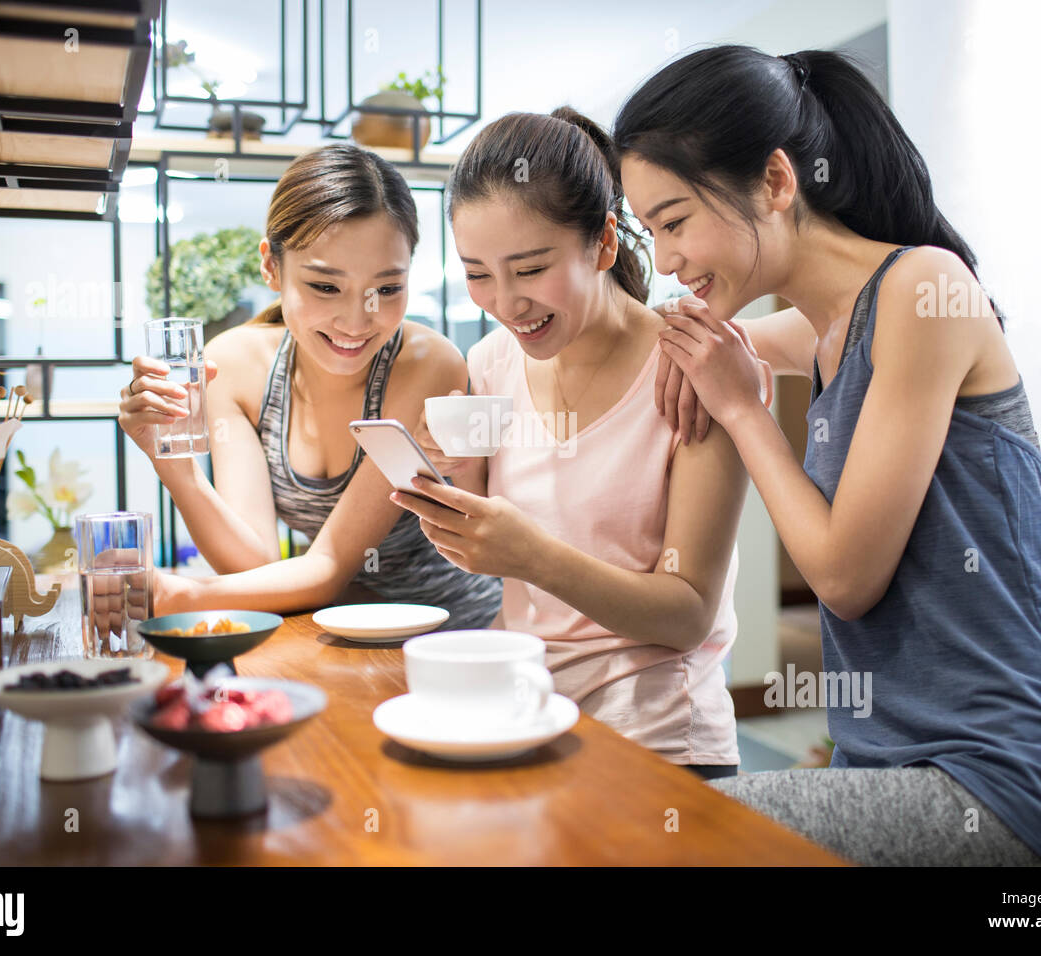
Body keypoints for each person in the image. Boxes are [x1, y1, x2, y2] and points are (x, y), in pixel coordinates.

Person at [612, 44, 1041, 865]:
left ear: (778, 182)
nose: (669, 259)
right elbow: (727, 343)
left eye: (675, 221)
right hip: (892, 760)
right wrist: (684, 353)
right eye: (651, 231)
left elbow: (846, 580)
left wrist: (743, 409)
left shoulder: (927, 291)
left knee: (675, 834)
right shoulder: (831, 326)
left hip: (1007, 781)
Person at [391, 108, 747, 778]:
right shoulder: (494, 362)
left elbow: (688, 614)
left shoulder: (690, 373)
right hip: (523, 721)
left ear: (604, 243)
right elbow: (484, 557)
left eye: (529, 269)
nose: (504, 301)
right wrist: (447, 495)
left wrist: (534, 557)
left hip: (661, 750)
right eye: (477, 273)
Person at [116, 144, 500, 628]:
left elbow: (329, 569)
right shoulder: (232, 366)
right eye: (325, 286)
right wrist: (173, 467)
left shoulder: (425, 364)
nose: (358, 321)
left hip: (454, 633)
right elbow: (257, 568)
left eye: (386, 289)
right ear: (271, 267)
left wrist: (181, 595)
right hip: (329, 639)